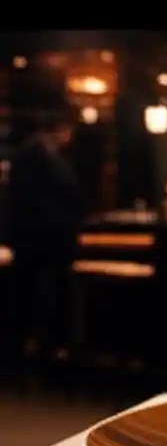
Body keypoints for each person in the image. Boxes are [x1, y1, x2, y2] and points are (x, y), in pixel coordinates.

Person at [5, 110, 86, 361]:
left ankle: (23, 345)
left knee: (26, 292)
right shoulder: (47, 155)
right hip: (48, 236)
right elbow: (68, 193)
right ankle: (52, 345)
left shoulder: (28, 153)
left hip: (29, 236)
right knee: (50, 291)